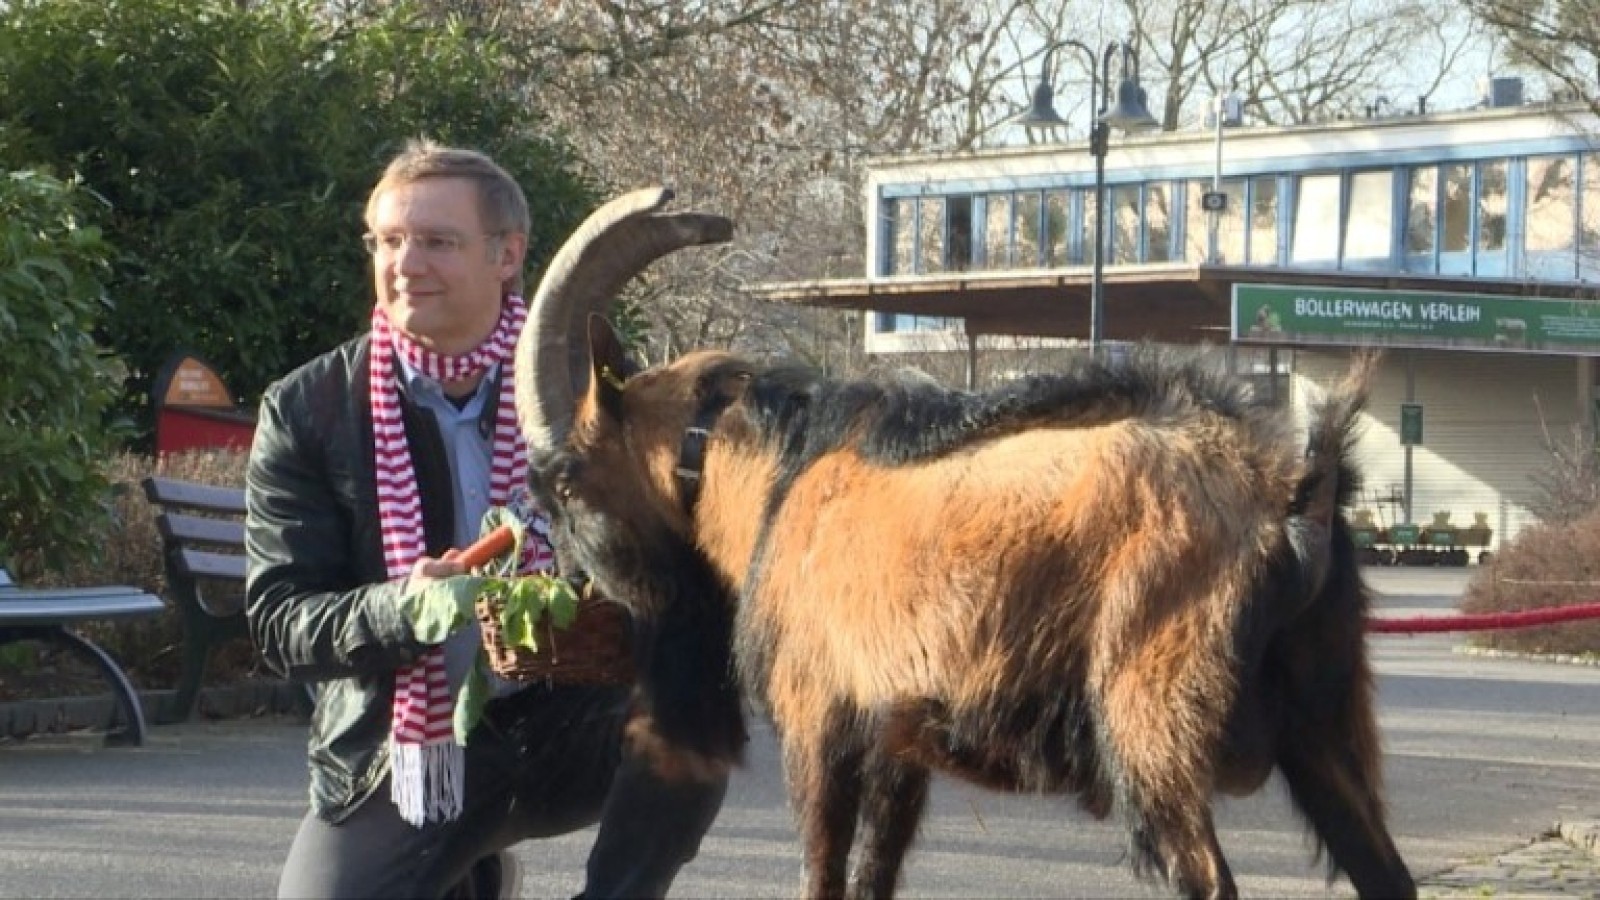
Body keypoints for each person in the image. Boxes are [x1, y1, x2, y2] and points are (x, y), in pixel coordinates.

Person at [245, 138, 728, 899]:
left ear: (507, 255)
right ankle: (469, 866)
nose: (405, 264)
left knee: (695, 698)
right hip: (406, 748)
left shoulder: (592, 389)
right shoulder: (308, 408)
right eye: (388, 241)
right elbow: (280, 621)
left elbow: (673, 561)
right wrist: (401, 609)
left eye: (437, 242)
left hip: (574, 722)